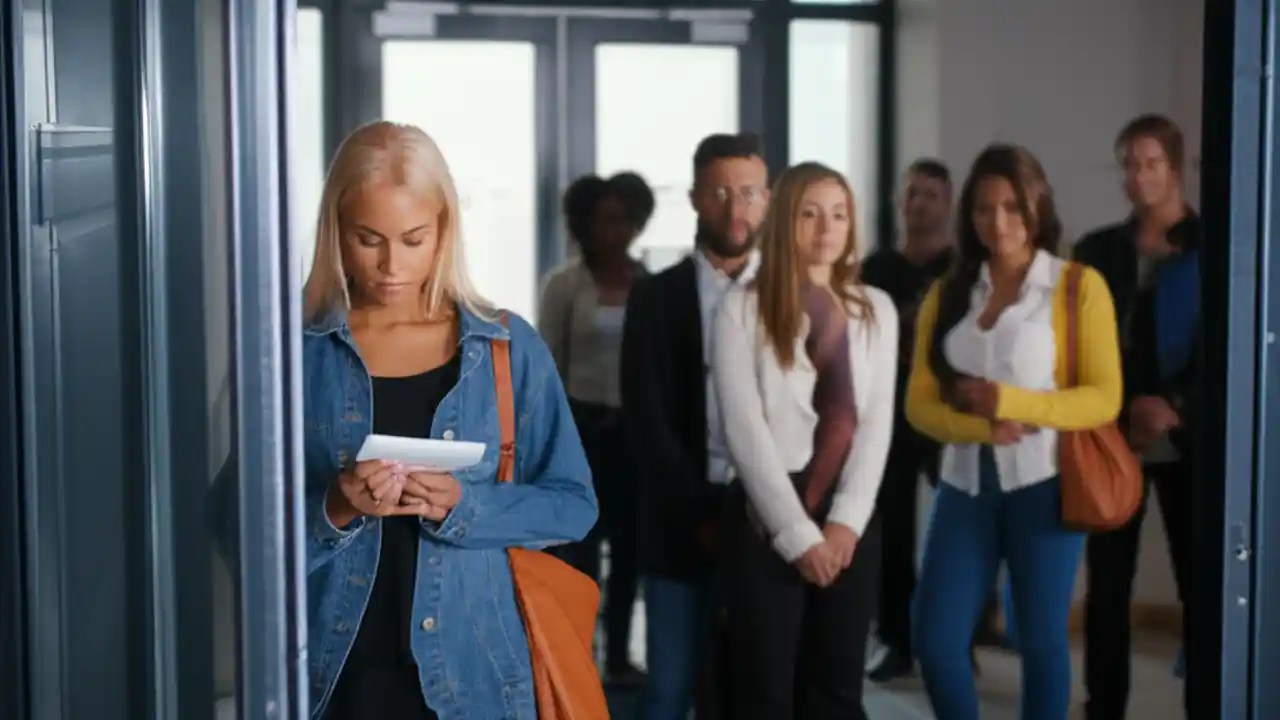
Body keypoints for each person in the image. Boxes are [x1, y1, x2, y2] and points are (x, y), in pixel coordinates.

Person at [215, 121, 598, 720]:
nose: (391, 265)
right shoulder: (288, 350)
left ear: (444, 229)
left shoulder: (505, 346)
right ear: (335, 229)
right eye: (368, 239)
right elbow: (228, 522)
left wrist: (464, 506)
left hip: (478, 682)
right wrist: (334, 508)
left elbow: (573, 505)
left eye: (413, 239)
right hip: (332, 683)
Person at [906, 144, 1123, 720]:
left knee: (1040, 640)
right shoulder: (947, 292)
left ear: (1037, 206)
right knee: (935, 641)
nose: (997, 222)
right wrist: (978, 426)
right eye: (984, 208)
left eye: (1011, 206)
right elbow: (918, 405)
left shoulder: (1077, 287)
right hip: (964, 486)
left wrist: (1012, 401)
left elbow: (1105, 397)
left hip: (1044, 486)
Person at [713, 162, 897, 719]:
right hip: (767, 511)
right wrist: (797, 536)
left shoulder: (876, 308)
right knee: (765, 692)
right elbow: (744, 430)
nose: (826, 228)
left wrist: (845, 524)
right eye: (810, 213)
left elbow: (876, 422)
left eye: (839, 214)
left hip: (848, 514)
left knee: (837, 692)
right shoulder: (741, 307)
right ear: (784, 221)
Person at [621, 132, 769, 720]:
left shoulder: (789, 296)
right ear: (694, 199)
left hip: (769, 518)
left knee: (749, 691)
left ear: (768, 199)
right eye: (720, 193)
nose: (736, 209)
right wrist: (700, 515)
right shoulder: (654, 297)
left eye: (749, 193)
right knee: (670, 686)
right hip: (677, 520)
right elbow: (646, 417)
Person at [1074, 114, 1200, 720]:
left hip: (1189, 435)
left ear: (1175, 167)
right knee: (1107, 585)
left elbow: (1229, 347)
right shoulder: (1097, 251)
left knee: (1200, 582)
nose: (1139, 176)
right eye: (1129, 164)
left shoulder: (1218, 246)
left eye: (1151, 163)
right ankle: (1104, 708)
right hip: (1111, 434)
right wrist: (1123, 411)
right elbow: (1079, 345)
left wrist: (1176, 408)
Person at [538, 171, 654, 685]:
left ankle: (620, 657)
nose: (614, 231)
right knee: (580, 548)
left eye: (623, 220)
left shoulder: (648, 283)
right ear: (584, 225)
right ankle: (578, 653)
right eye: (603, 221)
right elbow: (547, 367)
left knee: (630, 549)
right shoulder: (564, 285)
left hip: (633, 434)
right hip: (581, 431)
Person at [861, 158, 955, 681]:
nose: (919, 204)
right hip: (888, 414)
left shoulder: (961, 271)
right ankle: (895, 638)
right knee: (891, 529)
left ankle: (955, 635)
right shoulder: (876, 269)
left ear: (949, 204)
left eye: (930, 195)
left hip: (948, 414)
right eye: (912, 193)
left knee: (956, 528)